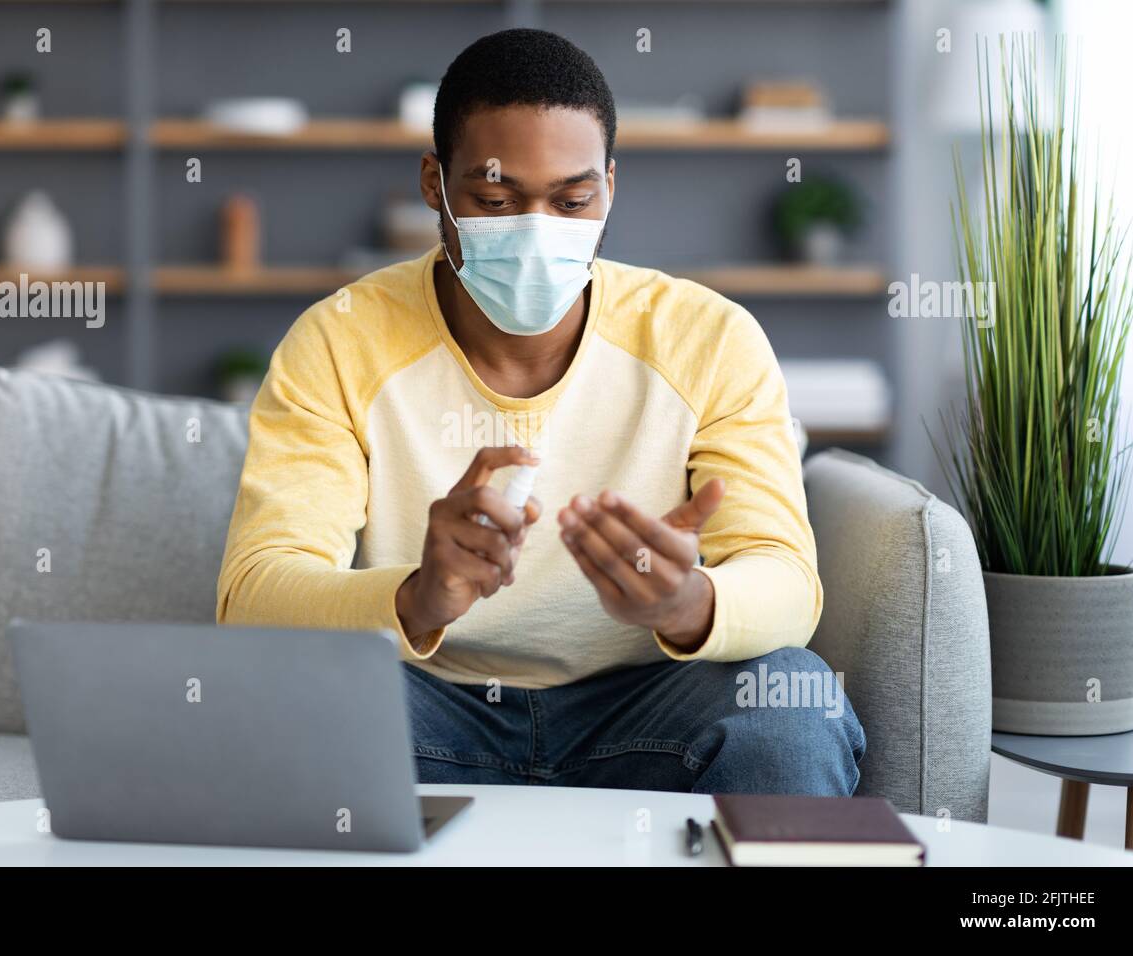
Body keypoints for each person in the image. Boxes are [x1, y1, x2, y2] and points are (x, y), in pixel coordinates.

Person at [218, 28, 865, 795]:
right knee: (287, 697)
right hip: (426, 711)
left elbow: (787, 582)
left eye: (572, 200)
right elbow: (256, 595)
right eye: (495, 200)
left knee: (794, 700)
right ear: (435, 184)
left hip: (647, 710)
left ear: (610, 189)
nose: (536, 232)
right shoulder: (339, 339)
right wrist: (418, 597)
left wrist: (688, 602)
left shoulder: (709, 339)